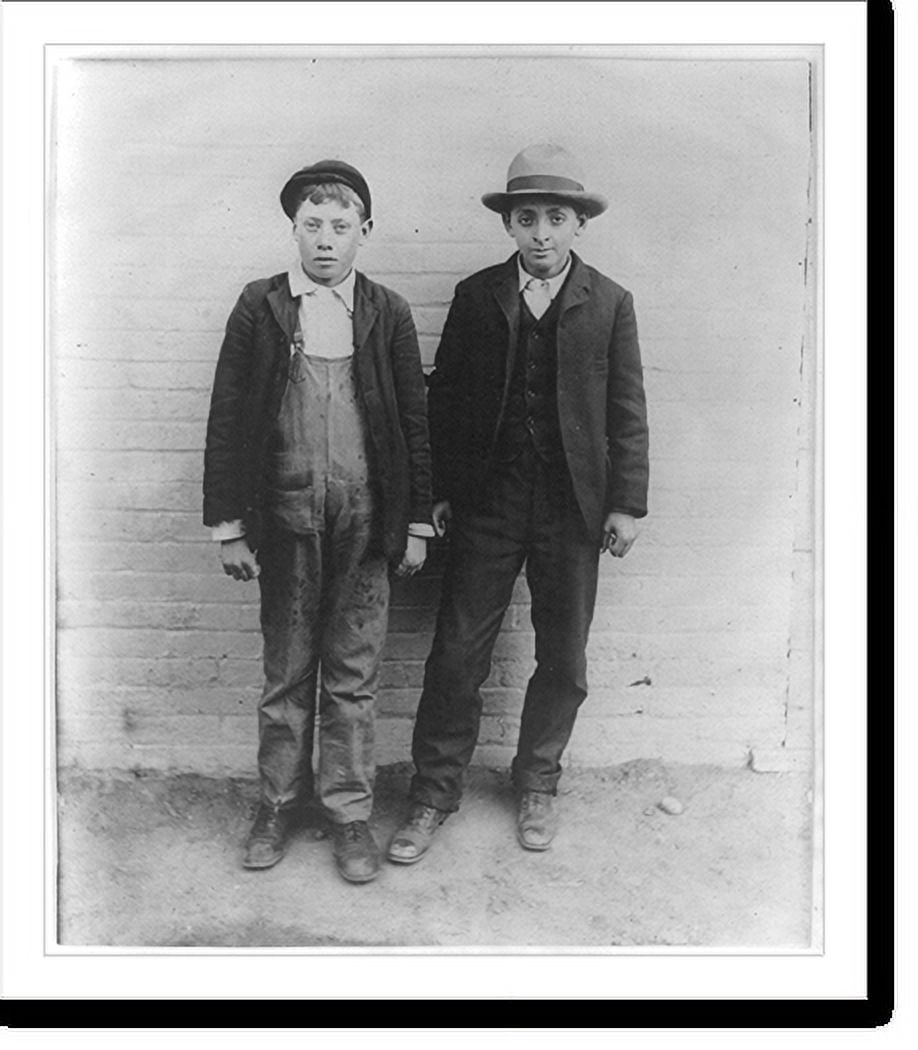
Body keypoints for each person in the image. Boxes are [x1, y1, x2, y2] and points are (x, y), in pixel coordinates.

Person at [387, 143, 649, 863]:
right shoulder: (478, 296)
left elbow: (626, 411)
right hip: (489, 505)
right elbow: (445, 400)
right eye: (527, 218)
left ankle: (537, 781)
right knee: (456, 654)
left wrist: (626, 504)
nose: (541, 233)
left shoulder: (610, 302)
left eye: (555, 218)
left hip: (573, 508)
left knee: (563, 656)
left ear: (577, 225)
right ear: (509, 225)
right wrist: (436, 490)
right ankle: (433, 794)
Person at [203, 159, 433, 883]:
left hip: (365, 523)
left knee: (353, 676)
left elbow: (414, 425)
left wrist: (417, 522)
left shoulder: (387, 311)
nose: (326, 240)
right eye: (312, 225)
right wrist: (228, 525)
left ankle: (349, 812)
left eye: (341, 226)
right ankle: (277, 802)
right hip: (286, 516)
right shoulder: (262, 306)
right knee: (287, 671)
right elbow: (228, 417)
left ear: (364, 232)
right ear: (293, 230)